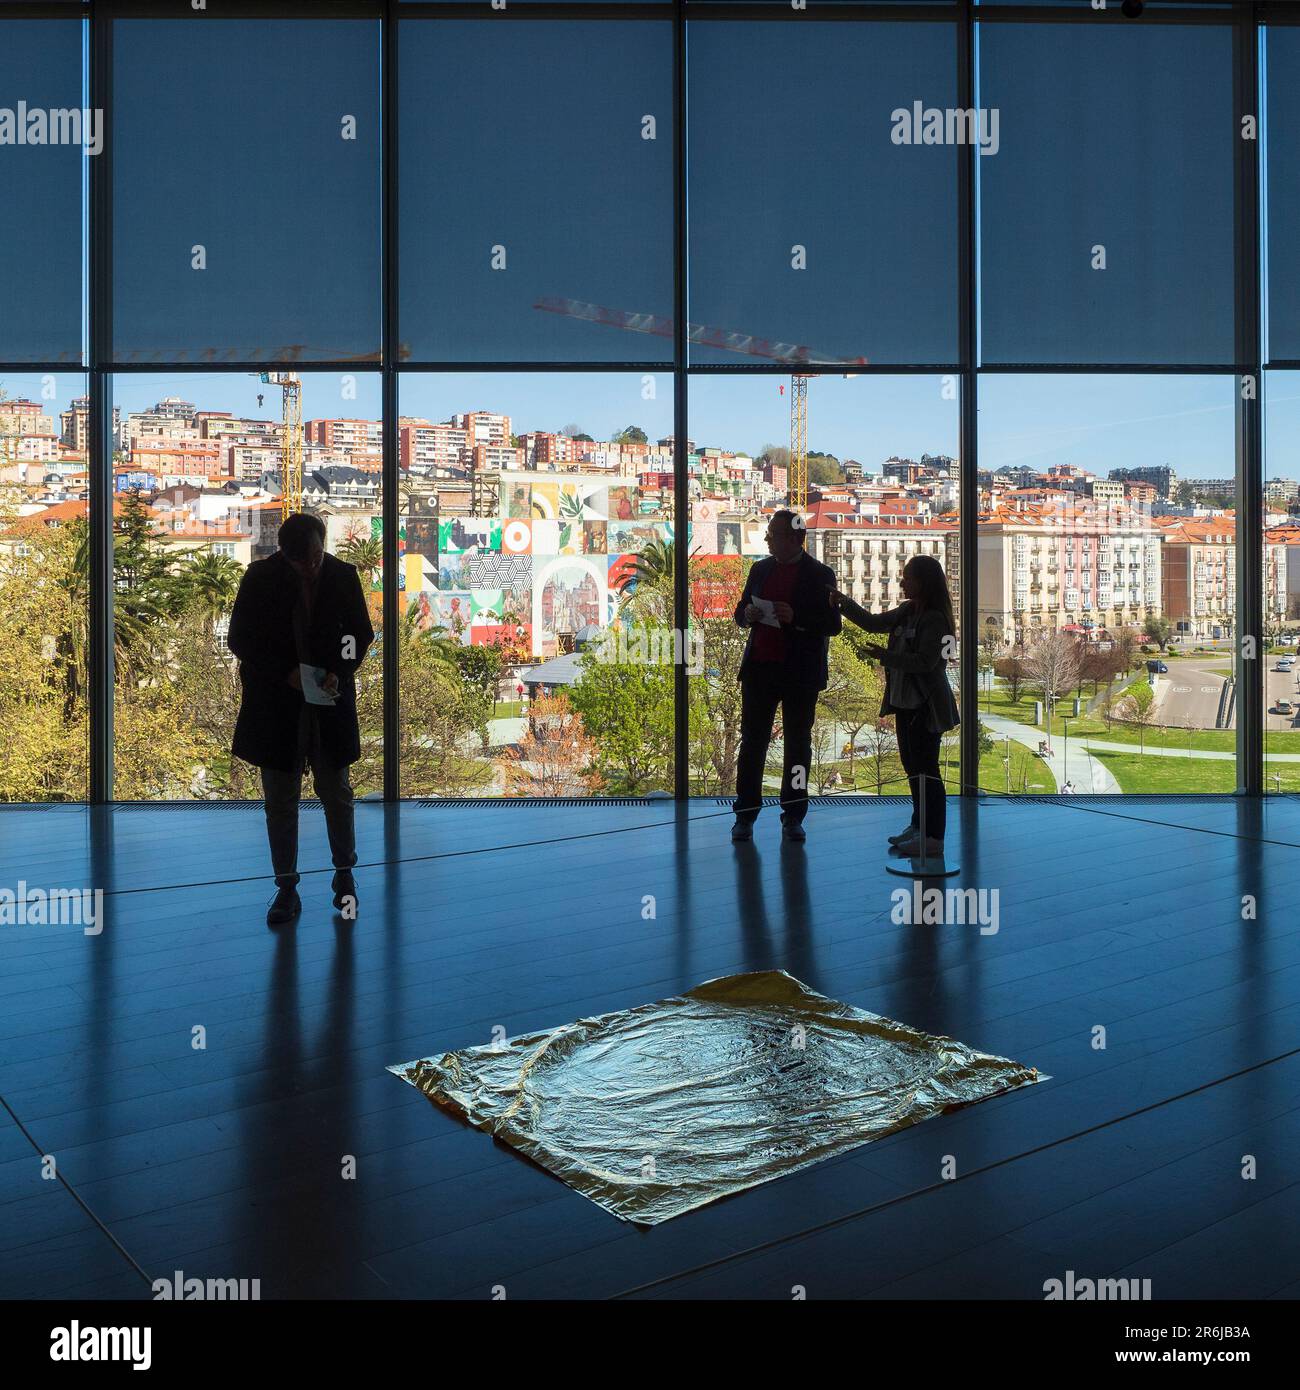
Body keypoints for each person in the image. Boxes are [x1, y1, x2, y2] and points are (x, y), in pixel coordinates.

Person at [228, 513, 375, 925]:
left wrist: (337, 670)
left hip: (323, 697)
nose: (309, 567)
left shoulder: (343, 575)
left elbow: (358, 636)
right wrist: (287, 672)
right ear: (285, 553)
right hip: (280, 705)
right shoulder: (260, 577)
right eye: (300, 562)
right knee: (282, 799)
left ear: (322, 544)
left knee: (335, 793)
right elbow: (240, 638)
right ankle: (289, 886)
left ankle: (343, 877)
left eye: (313, 558)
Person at [830, 555, 959, 857]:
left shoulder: (934, 619)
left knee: (926, 771)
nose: (902, 582)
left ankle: (933, 837)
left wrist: (884, 657)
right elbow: (874, 624)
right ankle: (919, 827)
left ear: (923, 582)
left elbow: (927, 663)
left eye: (907, 578)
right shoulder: (908, 611)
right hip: (906, 703)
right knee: (914, 768)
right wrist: (843, 603)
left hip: (924, 705)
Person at [731, 510, 842, 843]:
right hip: (761, 669)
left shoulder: (822, 574)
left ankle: (793, 815)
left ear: (795, 538)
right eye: (768, 535)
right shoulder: (759, 569)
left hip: (799, 674)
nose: (768, 540)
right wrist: (746, 614)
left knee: (798, 747)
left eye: (773, 535)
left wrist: (797, 617)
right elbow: (739, 611)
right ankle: (744, 815)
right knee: (752, 745)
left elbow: (833, 625)